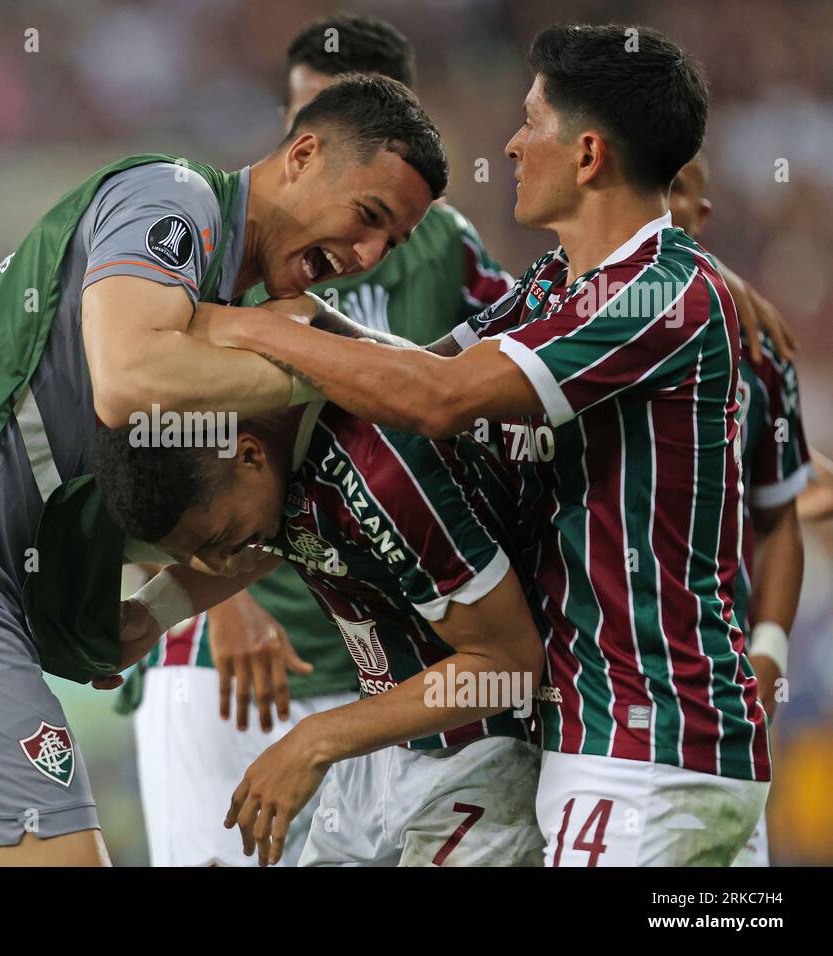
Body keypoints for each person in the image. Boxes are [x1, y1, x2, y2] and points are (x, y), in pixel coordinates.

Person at [0, 75, 450, 866]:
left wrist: (156, 614)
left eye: (392, 244)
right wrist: (327, 370)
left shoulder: (233, 321)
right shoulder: (171, 195)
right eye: (367, 218)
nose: (367, 256)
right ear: (303, 155)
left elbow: (268, 514)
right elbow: (128, 378)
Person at [191, 24, 770, 865]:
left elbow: (439, 399)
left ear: (587, 155)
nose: (511, 143)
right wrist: (302, 320)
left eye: (532, 121)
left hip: (653, 733)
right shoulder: (556, 285)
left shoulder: (658, 289)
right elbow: (417, 366)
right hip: (597, 731)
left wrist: (232, 323)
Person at [126, 11, 517, 870]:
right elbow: (184, 468)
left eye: (390, 224)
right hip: (279, 670)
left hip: (410, 691)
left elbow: (513, 349)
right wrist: (173, 609)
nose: (370, 250)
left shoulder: (440, 258)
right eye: (300, 118)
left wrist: (691, 272)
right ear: (298, 144)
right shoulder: (206, 237)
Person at [95, 402, 546, 867]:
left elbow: (509, 667)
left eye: (217, 540)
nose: (220, 565)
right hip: (386, 742)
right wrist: (151, 614)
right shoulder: (277, 455)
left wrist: (313, 742)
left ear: (249, 456)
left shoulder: (381, 472)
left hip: (489, 744)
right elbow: (280, 536)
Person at [668, 153, 810, 867]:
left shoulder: (758, 350)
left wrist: (769, 652)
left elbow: (782, 512)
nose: (654, 212)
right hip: (573, 722)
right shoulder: (550, 325)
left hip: (714, 716)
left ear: (701, 215)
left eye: (673, 190)